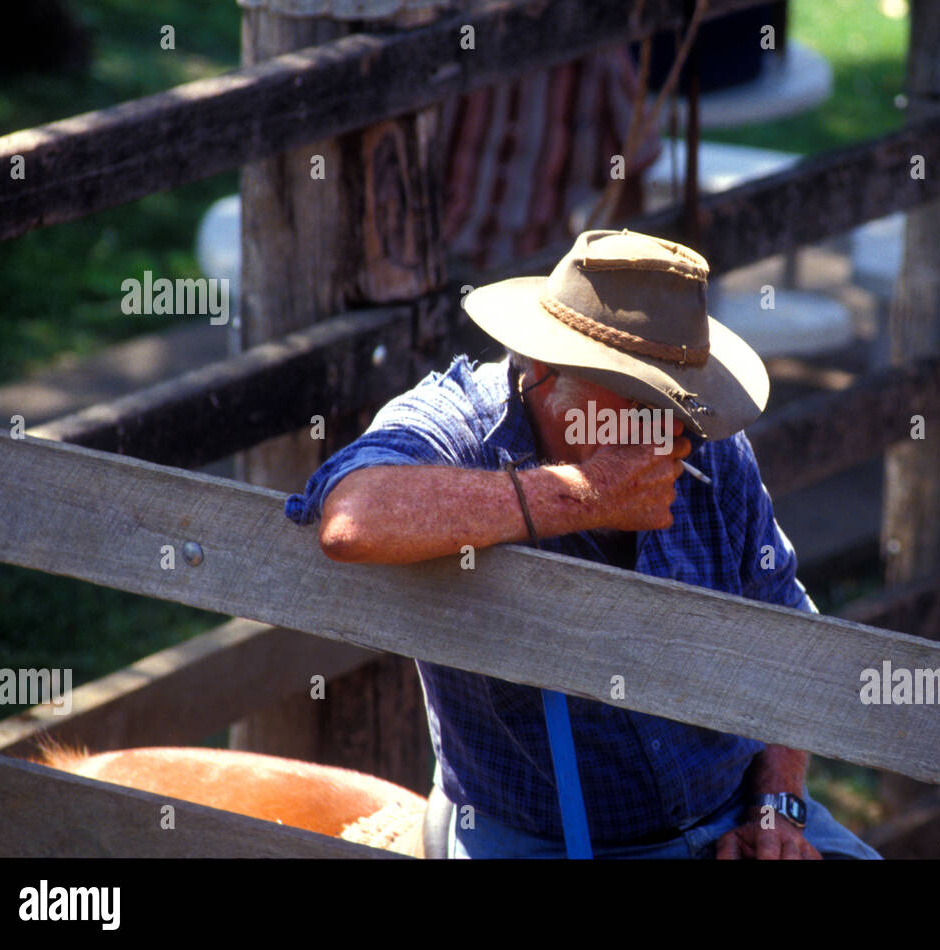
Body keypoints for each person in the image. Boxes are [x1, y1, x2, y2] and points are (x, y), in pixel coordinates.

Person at [285, 228, 881, 860]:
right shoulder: (459, 422)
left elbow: (788, 634)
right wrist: (584, 493)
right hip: (532, 841)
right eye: (632, 397)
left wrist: (777, 808)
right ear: (541, 367)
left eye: (674, 400)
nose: (659, 428)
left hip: (738, 809)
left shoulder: (710, 443)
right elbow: (353, 518)